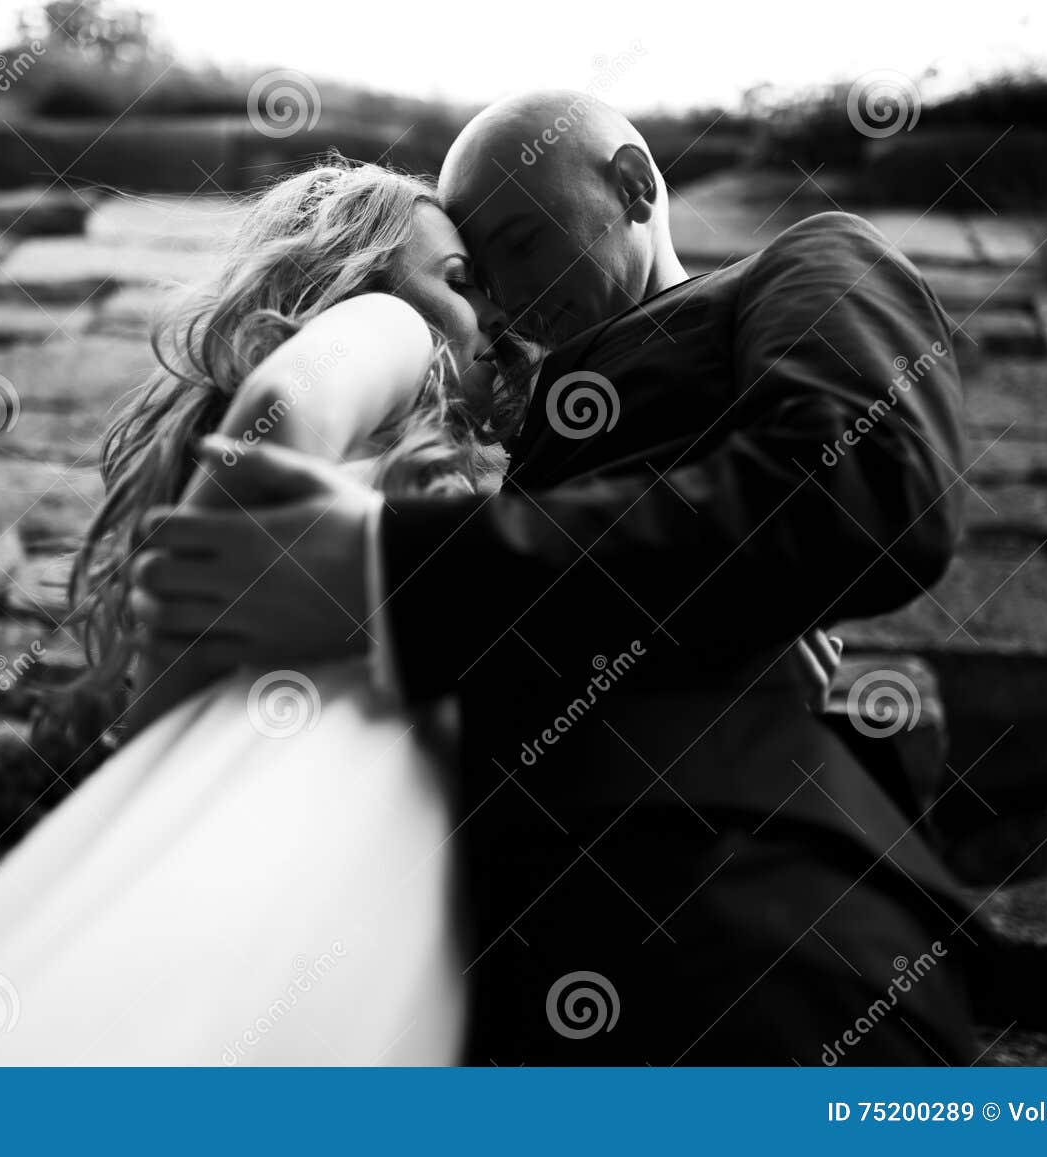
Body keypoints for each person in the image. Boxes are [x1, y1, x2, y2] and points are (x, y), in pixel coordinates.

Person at [137, 91, 979, 1064]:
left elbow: (865, 483)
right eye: (482, 277)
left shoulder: (804, 261)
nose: (511, 305)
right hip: (504, 983)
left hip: (743, 902)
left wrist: (383, 565)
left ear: (631, 184)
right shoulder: (496, 431)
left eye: (523, 245)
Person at [0, 160, 526, 1064]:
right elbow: (280, 412)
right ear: (356, 278)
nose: (495, 315)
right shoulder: (393, 327)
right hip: (313, 770)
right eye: (462, 284)